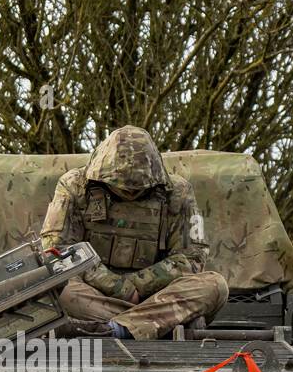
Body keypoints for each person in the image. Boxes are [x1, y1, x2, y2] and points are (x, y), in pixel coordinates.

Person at [40, 125, 228, 339]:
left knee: (214, 285)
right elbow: (57, 250)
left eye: (138, 189)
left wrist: (140, 284)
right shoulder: (74, 186)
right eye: (121, 187)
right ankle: (155, 325)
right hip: (96, 295)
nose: (130, 193)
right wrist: (117, 286)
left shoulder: (178, 192)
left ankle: (114, 329)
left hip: (153, 298)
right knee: (56, 286)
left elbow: (193, 257)